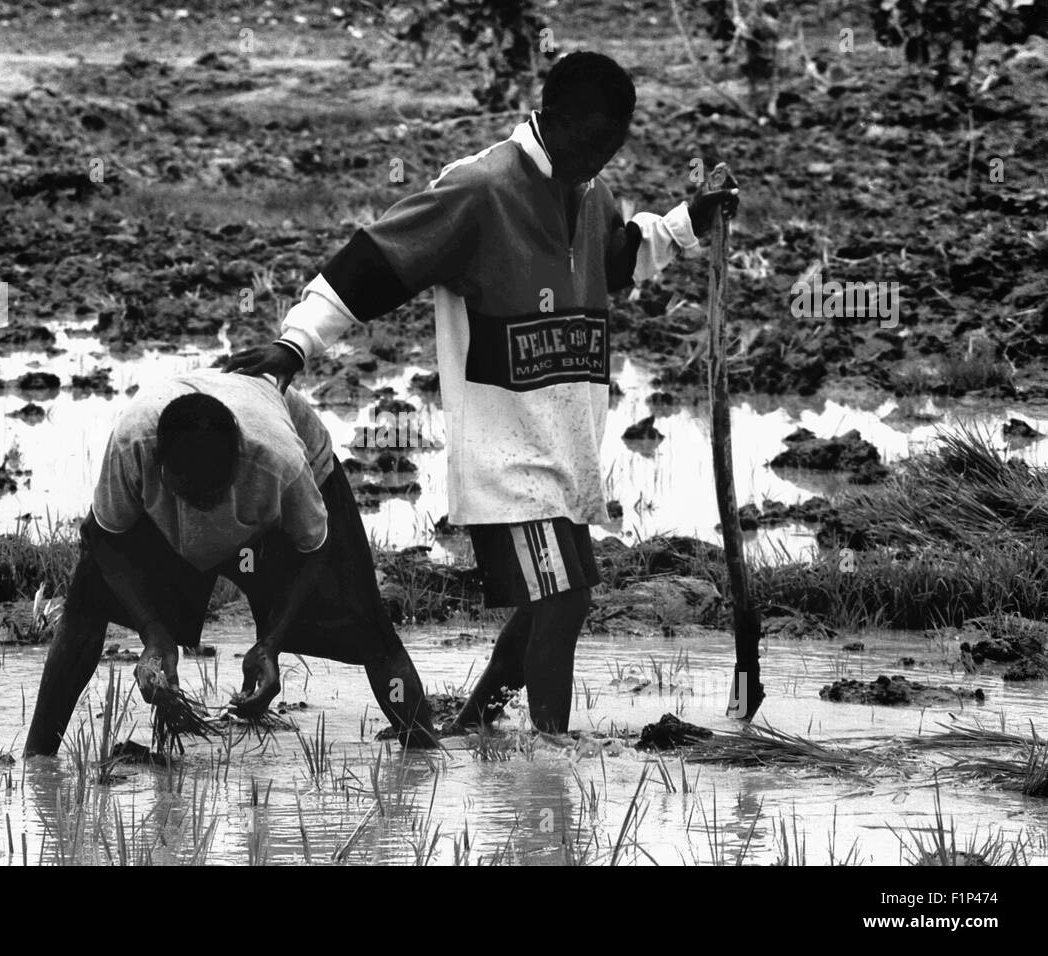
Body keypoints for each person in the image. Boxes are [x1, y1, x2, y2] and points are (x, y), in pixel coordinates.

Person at [225, 51, 740, 734]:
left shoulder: (593, 195)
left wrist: (688, 221)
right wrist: (296, 344)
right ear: (550, 118)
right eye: (588, 142)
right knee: (565, 598)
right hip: (507, 456)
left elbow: (617, 260)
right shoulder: (479, 190)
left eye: (610, 147)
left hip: (566, 450)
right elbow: (375, 262)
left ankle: (475, 723)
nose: (596, 159)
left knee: (545, 605)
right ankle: (552, 755)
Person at [23, 367, 437, 756]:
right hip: (177, 481)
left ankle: (424, 753)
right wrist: (154, 632)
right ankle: (38, 758)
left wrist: (272, 642)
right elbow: (102, 538)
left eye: (214, 498)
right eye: (191, 498)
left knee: (369, 624)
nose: (204, 517)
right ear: (162, 471)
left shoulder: (282, 463)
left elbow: (316, 549)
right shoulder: (132, 445)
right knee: (85, 604)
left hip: (287, 469)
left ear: (238, 465)